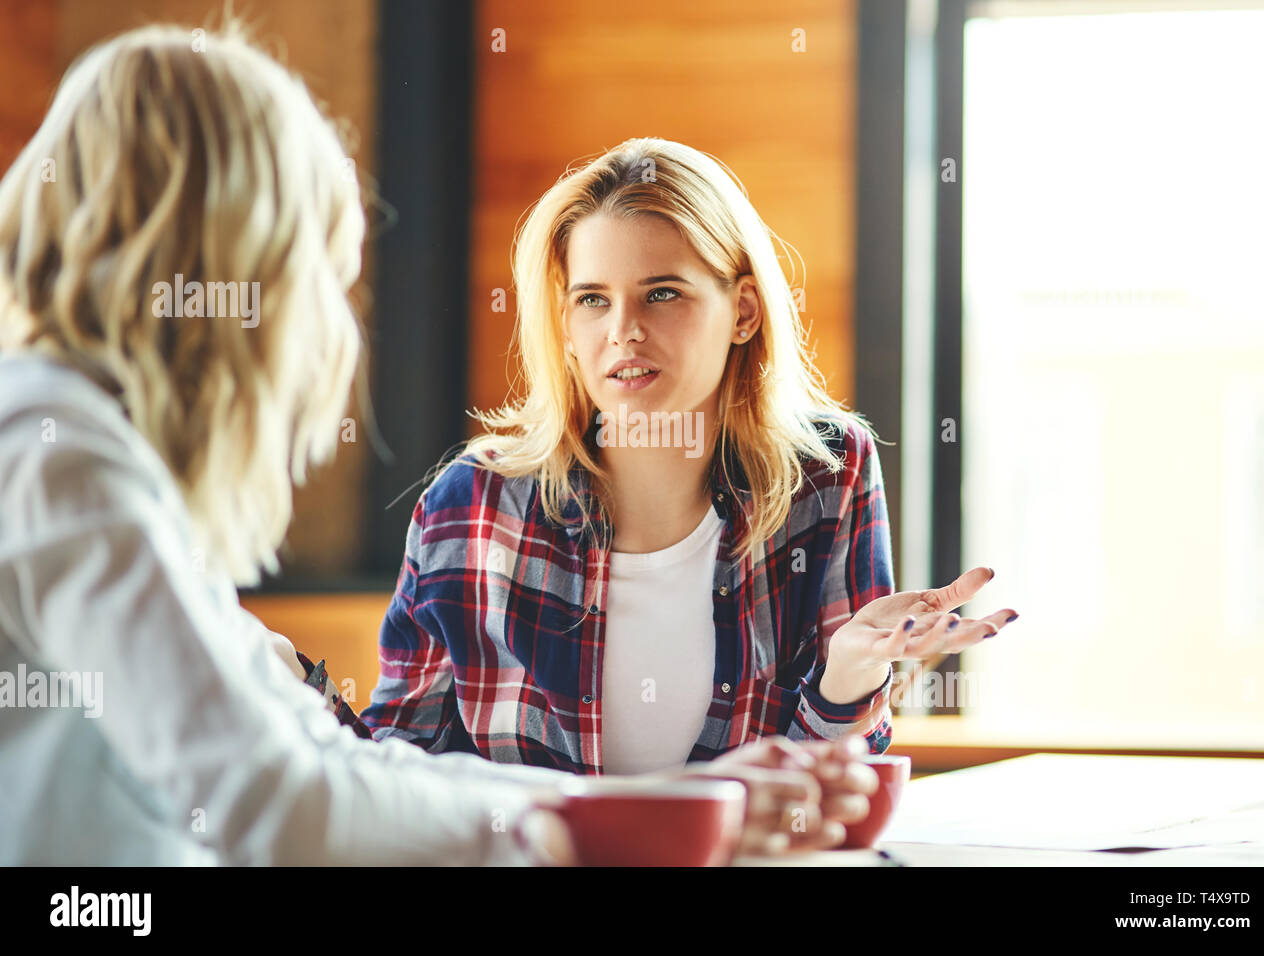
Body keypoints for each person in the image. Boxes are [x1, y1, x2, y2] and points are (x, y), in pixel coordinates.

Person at [0, 25, 867, 865]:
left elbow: (341, 770)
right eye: (315, 271)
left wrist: (666, 810)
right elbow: (280, 802)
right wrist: (574, 831)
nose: (329, 327)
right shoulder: (58, 457)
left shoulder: (89, 456)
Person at [352, 138, 1019, 779]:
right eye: (592, 300)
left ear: (744, 312)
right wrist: (297, 693)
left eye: (662, 292)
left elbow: (822, 795)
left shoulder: (828, 472)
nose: (623, 331)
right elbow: (393, 768)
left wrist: (847, 675)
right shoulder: (471, 504)